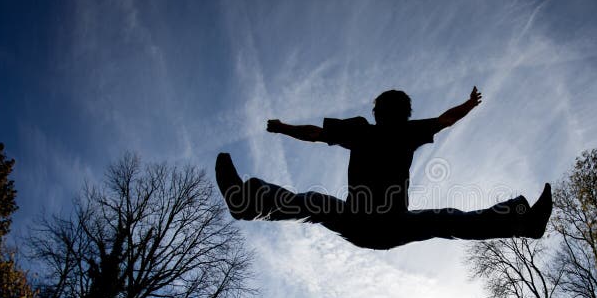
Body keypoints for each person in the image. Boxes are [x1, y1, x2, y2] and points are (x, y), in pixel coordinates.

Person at [216, 87, 552, 249]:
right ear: (404, 113)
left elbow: (315, 134)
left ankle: (249, 202)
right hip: (392, 225)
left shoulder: (362, 129)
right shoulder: (409, 130)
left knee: (312, 202)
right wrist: (467, 104)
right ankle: (523, 220)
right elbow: (447, 120)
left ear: (378, 112)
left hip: (360, 221)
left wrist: (283, 128)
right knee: (448, 219)